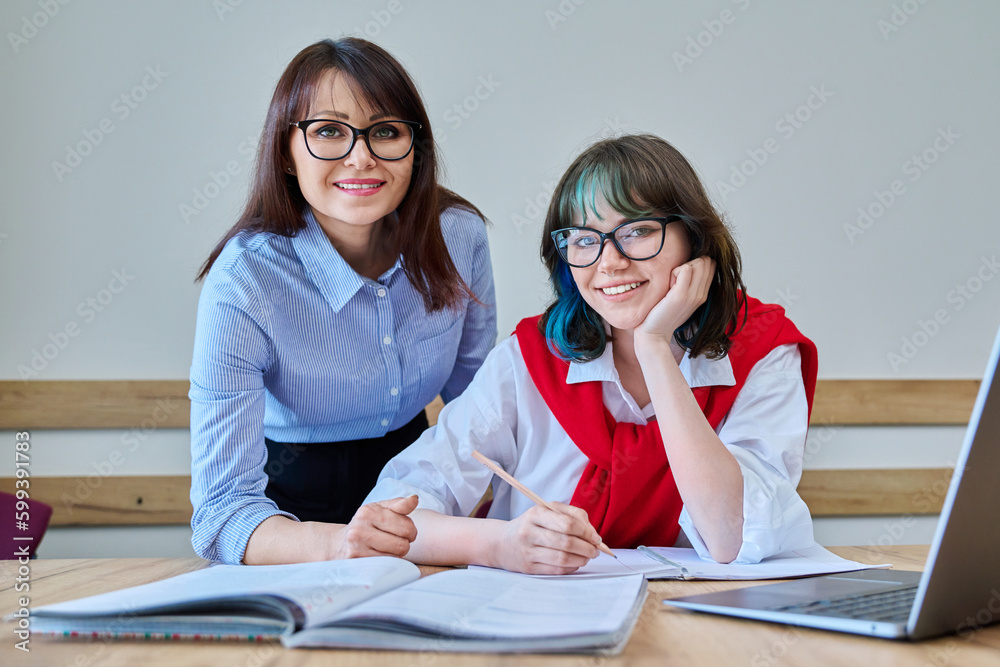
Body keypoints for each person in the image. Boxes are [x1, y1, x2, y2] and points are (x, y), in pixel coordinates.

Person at [363, 133, 818, 574]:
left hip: (701, 620)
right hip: (541, 620)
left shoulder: (763, 351)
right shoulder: (529, 359)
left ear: (695, 240)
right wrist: (500, 545)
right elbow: (392, 517)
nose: (609, 262)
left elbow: (729, 539)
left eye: (637, 230)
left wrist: (655, 347)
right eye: (583, 239)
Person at [188, 38, 497, 565]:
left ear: (414, 148)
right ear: (286, 152)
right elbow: (221, 515)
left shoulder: (458, 237)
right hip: (289, 507)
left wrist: (498, 515)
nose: (362, 157)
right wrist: (339, 542)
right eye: (328, 131)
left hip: (422, 489)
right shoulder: (244, 278)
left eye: (386, 132)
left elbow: (485, 404)